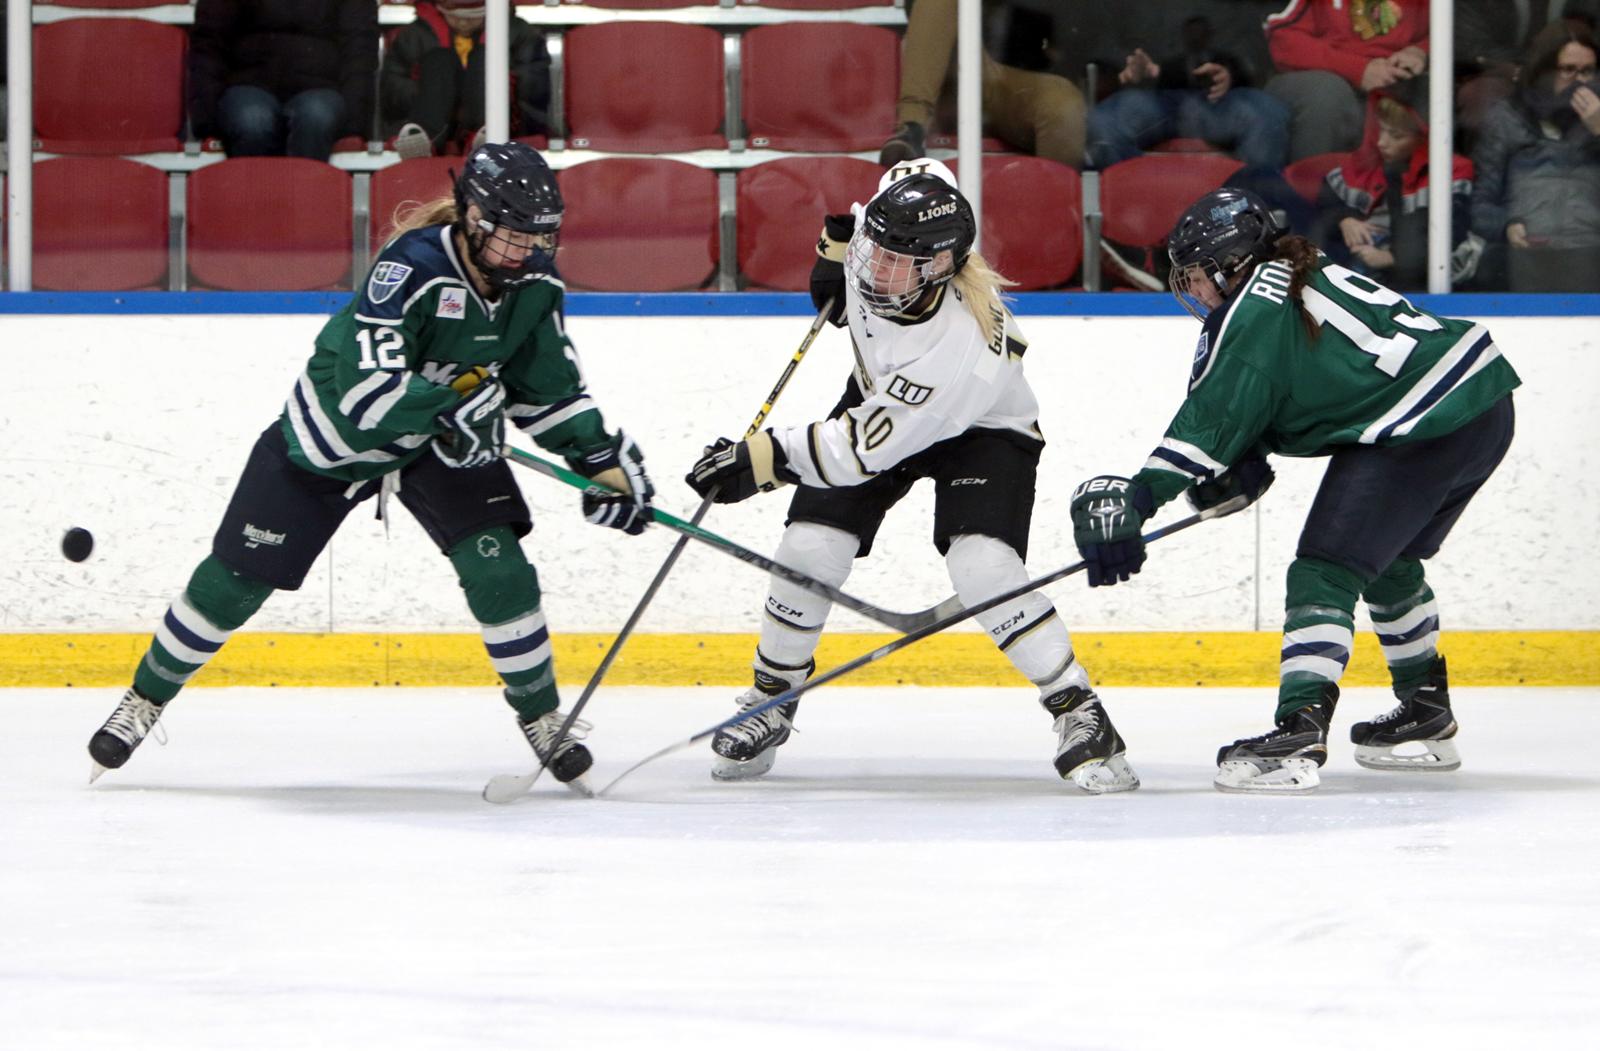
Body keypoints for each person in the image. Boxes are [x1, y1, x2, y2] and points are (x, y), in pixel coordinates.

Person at [86, 143, 655, 794]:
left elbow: (547, 391)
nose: (528, 250)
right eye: (513, 234)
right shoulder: (408, 269)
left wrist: (601, 458)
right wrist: (453, 409)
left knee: (499, 569)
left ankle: (541, 716)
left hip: (437, 439)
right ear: (473, 216)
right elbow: (367, 396)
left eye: (539, 235)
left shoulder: (535, 287)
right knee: (235, 583)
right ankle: (144, 700)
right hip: (331, 439)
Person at [683, 160, 1137, 794]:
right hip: (879, 401)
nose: (871, 269)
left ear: (938, 268)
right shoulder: (888, 235)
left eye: (890, 261)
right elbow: (906, 175)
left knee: (983, 566)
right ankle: (771, 700)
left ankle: (1079, 711)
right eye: (871, 250)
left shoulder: (962, 347)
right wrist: (837, 245)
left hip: (982, 431)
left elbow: (856, 452)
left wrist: (759, 460)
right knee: (808, 547)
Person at [1069, 187, 1519, 794]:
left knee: (1323, 571)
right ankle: (1425, 712)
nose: (1195, 292)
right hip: (1481, 407)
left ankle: (1300, 730)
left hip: (1423, 427)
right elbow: (1302, 383)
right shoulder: (1293, 270)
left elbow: (1212, 419)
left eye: (1200, 276)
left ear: (1232, 264)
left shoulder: (1253, 308)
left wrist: (1140, 497)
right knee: (1388, 564)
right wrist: (1247, 452)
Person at [1470, 20, 1600, 293]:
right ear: (1544, 70)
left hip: (1590, 261)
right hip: (1525, 264)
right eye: (1568, 70)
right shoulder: (1507, 117)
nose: (1580, 81)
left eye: (1587, 71)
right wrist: (1506, 225)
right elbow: (1481, 204)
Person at [878, 0, 1086, 169]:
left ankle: (1051, 207)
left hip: (1013, 80)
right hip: (948, 67)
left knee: (1064, 109)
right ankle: (911, 128)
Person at [1315, 85, 1480, 290]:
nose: (1382, 142)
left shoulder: (1450, 172)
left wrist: (1392, 258)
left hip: (1424, 286)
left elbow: (1451, 236)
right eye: (1381, 130)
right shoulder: (1363, 166)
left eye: (1396, 136)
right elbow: (1323, 205)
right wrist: (1344, 219)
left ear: (1423, 138)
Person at [1084, 11, 1291, 170]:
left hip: (1221, 101)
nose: (1195, 38)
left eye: (1200, 34)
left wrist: (1229, 75)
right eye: (1191, 34)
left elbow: (1254, 58)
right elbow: (1096, 52)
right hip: (1158, 100)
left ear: (1209, 35)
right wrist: (1127, 75)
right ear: (1184, 34)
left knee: (1268, 114)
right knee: (1103, 122)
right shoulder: (1171, 57)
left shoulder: (1227, 52)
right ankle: (1135, 199)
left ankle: (1253, 208)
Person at [188, 0, 378, 160]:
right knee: (252, 120)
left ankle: (304, 202)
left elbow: (359, 49)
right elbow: (209, 43)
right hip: (247, 83)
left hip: (320, 86)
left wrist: (354, 128)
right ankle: (255, 201)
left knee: (316, 117)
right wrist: (207, 123)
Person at [382, 0, 552, 161]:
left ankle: (484, 139)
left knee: (486, 59)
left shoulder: (520, 33)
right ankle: (425, 142)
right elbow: (393, 90)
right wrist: (429, 91)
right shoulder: (414, 35)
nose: (463, 24)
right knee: (439, 61)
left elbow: (535, 88)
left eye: (472, 17)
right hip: (433, 114)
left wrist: (507, 86)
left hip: (501, 118)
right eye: (455, 17)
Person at [1263, 0, 1430, 162]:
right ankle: (1309, 186)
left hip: (1394, 79)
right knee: (1327, 92)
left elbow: (1450, 30)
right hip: (1318, 76)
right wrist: (1360, 70)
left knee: (1432, 93)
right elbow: (1282, 39)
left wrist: (1420, 52)